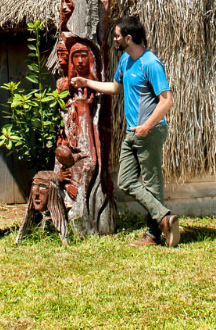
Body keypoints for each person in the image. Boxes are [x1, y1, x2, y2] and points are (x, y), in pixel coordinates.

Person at [72, 15, 179, 247]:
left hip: (150, 132)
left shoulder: (151, 63)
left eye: (118, 35)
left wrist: (147, 126)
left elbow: (167, 100)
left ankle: (153, 234)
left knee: (152, 183)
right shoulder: (125, 60)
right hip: (133, 132)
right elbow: (116, 87)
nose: (116, 38)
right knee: (126, 180)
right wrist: (87, 83)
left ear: (129, 38)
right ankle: (164, 217)